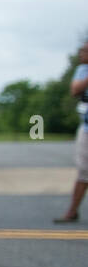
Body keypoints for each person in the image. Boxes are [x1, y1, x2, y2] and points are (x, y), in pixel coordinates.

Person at [55, 39, 88, 222]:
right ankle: (72, 211)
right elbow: (75, 89)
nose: (80, 53)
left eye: (84, 50)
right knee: (84, 170)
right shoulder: (82, 70)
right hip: (86, 127)